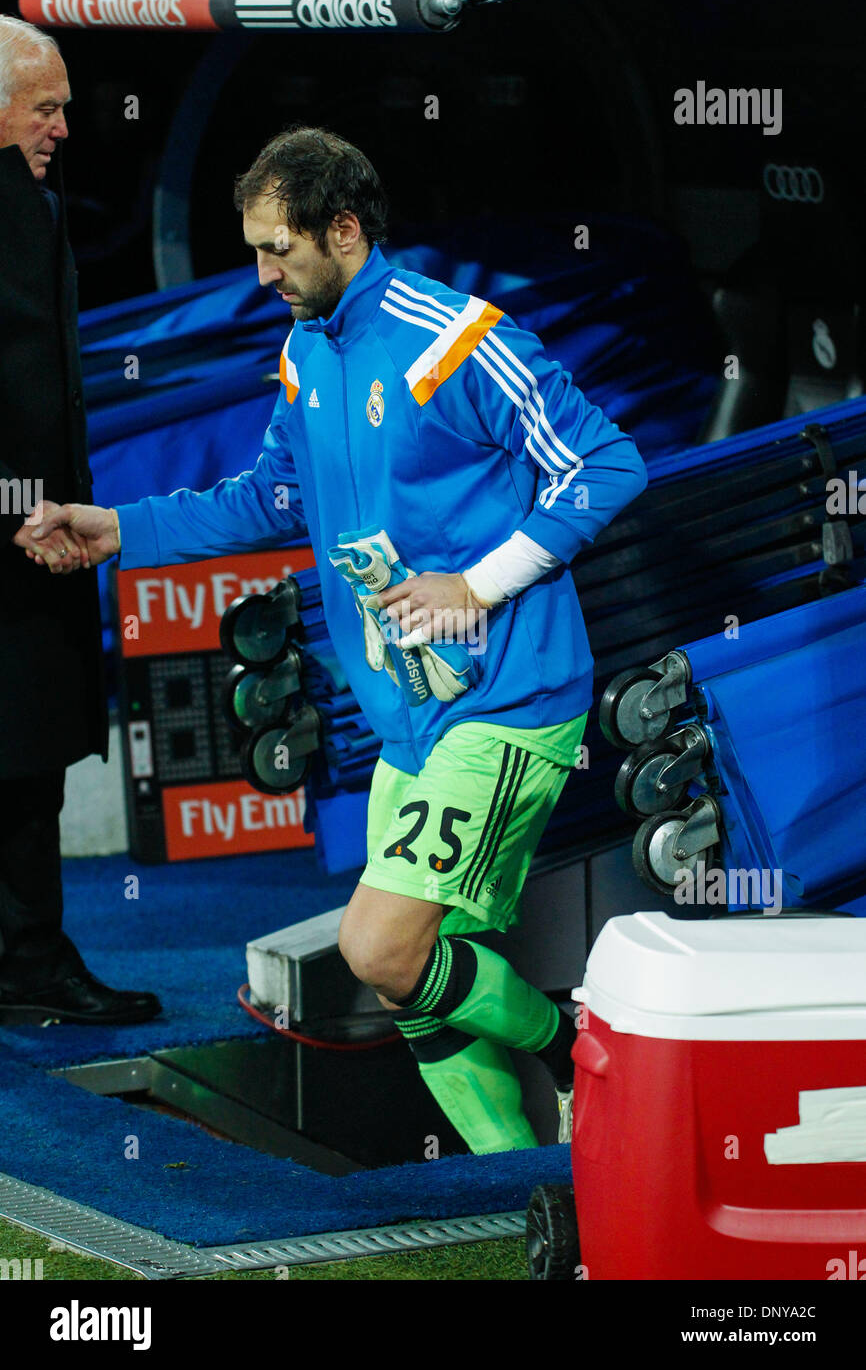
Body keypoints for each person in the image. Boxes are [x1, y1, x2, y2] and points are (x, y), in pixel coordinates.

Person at [20, 126, 647, 1147]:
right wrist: (121, 530)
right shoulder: (305, 346)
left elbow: (606, 466)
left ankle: (577, 1047)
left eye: (279, 249)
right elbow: (270, 496)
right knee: (417, 987)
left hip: (505, 699)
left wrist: (477, 584)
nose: (262, 272)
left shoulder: (458, 338)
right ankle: (513, 1184)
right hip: (408, 717)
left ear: (344, 230)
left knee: (381, 948)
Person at [0, 15, 159, 1025]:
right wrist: (19, 508)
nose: (63, 126)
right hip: (17, 528)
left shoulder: (32, 204)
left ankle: (26, 958)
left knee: (29, 759)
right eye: (44, 106)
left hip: (35, 535)